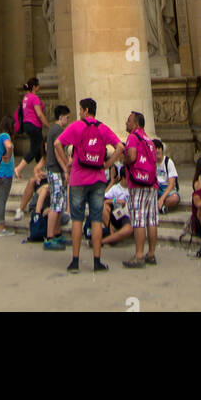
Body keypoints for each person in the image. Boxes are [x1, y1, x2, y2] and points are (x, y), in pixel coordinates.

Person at [55, 97, 122, 273]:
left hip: (78, 179)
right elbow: (120, 147)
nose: (79, 113)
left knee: (77, 219)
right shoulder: (103, 128)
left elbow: (57, 144)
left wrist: (67, 165)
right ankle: (97, 262)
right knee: (97, 219)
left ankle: (75, 261)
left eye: (80, 110)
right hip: (98, 179)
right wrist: (107, 165)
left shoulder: (77, 126)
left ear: (85, 111)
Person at [122, 111, 160, 268]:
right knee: (151, 220)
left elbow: (131, 156)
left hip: (138, 183)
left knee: (138, 220)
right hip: (151, 183)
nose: (126, 123)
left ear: (136, 124)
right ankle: (151, 253)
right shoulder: (149, 140)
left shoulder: (133, 137)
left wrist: (124, 161)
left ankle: (138, 255)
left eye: (129, 120)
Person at [43, 104, 71, 250]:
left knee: (59, 203)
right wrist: (66, 168)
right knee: (55, 204)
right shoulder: (58, 130)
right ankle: (50, 237)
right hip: (55, 170)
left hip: (53, 169)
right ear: (61, 117)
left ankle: (57, 233)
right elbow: (58, 150)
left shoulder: (52, 130)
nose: (68, 120)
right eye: (67, 117)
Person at [14, 77, 50, 183]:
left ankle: (38, 171)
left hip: (27, 125)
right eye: (38, 85)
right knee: (35, 149)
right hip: (34, 125)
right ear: (34, 87)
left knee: (38, 148)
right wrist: (48, 125)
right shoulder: (34, 98)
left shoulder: (26, 97)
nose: (39, 87)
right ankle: (19, 168)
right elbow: (39, 114)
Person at [0, 115, 16, 236]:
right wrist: (9, 155)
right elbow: (9, 146)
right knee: (2, 200)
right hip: (4, 172)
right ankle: (1, 228)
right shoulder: (5, 136)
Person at [153, 138, 180, 214]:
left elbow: (171, 184)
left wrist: (162, 198)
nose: (157, 151)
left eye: (159, 148)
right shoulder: (151, 162)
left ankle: (159, 206)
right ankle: (158, 207)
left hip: (167, 189)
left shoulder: (168, 162)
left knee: (175, 198)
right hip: (155, 188)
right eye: (155, 149)